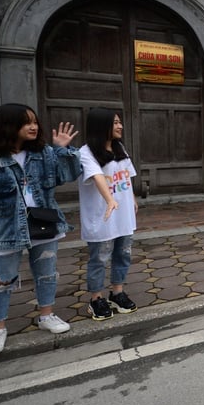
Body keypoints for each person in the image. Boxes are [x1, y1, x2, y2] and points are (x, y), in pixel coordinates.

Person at [0, 104, 81, 357]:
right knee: (0, 281)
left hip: (42, 221)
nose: (34, 126)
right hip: (4, 228)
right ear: (7, 126)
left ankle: (46, 316)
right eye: (26, 122)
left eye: (34, 121)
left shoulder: (44, 153)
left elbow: (68, 174)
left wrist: (62, 150)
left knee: (47, 273)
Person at [79, 108, 139, 321]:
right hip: (102, 217)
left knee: (123, 254)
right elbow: (97, 177)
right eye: (115, 123)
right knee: (100, 258)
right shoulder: (86, 152)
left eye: (119, 122)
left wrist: (131, 200)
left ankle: (117, 293)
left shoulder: (119, 147)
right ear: (101, 125)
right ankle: (96, 298)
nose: (120, 126)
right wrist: (110, 200)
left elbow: (127, 176)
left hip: (124, 216)